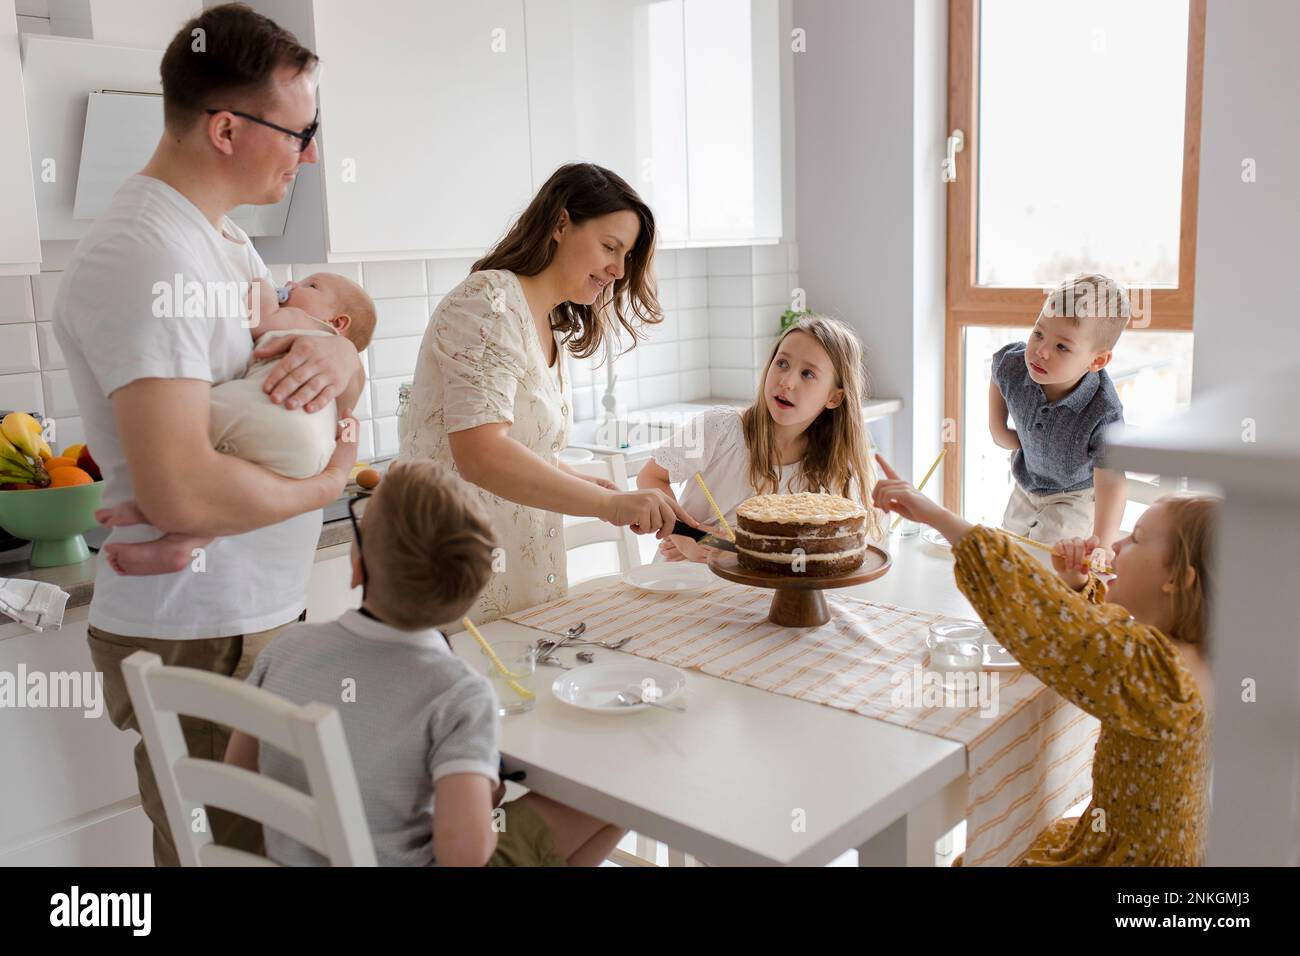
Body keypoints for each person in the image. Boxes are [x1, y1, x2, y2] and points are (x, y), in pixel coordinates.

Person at [51, 3, 364, 866]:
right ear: (227, 128)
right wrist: (327, 484)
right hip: (198, 628)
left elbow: (322, 359)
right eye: (300, 132)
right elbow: (181, 492)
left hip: (245, 612)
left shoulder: (223, 245)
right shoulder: (145, 257)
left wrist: (342, 359)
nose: (310, 155)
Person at [225, 460, 626, 866]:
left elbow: (240, 775)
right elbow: (464, 856)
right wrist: (482, 808)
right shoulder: (459, 694)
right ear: (469, 595)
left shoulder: (288, 646)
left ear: (357, 567)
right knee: (611, 794)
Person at [873, 455, 1215, 865]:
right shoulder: (1189, 655)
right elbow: (1095, 639)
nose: (1119, 544)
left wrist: (938, 517)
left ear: (1178, 578)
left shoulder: (1162, 675)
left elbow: (1056, 628)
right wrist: (1075, 585)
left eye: (1137, 538)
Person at [400, 162, 700, 626]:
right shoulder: (488, 302)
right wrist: (610, 505)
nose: (618, 270)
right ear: (561, 223)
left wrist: (580, 482)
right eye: (610, 247)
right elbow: (480, 453)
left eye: (626, 257)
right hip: (456, 569)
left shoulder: (546, 323)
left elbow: (519, 443)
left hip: (520, 568)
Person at [94, 273, 376, 575]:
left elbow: (259, 321)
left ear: (337, 322)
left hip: (267, 413)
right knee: (229, 493)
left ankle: (151, 503)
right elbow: (346, 413)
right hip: (309, 459)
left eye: (310, 286)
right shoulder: (341, 366)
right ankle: (183, 540)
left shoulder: (303, 320)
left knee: (173, 423)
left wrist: (261, 291)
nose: (293, 284)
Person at [638, 314, 884, 562]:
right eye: (782, 364)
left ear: (834, 397)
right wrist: (686, 536)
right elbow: (650, 477)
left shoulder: (832, 464)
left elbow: (812, 548)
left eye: (808, 374)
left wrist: (741, 545)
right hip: (686, 579)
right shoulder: (719, 427)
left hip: (758, 590)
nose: (787, 381)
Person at [989, 273, 1129, 559]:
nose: (1040, 351)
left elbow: (1111, 481)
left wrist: (1102, 543)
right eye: (1039, 333)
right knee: (1008, 555)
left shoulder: (1103, 411)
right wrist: (998, 429)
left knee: (1049, 561)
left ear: (1097, 360)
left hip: (1074, 495)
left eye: (1061, 346)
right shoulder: (1014, 364)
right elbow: (998, 371)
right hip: (1027, 481)